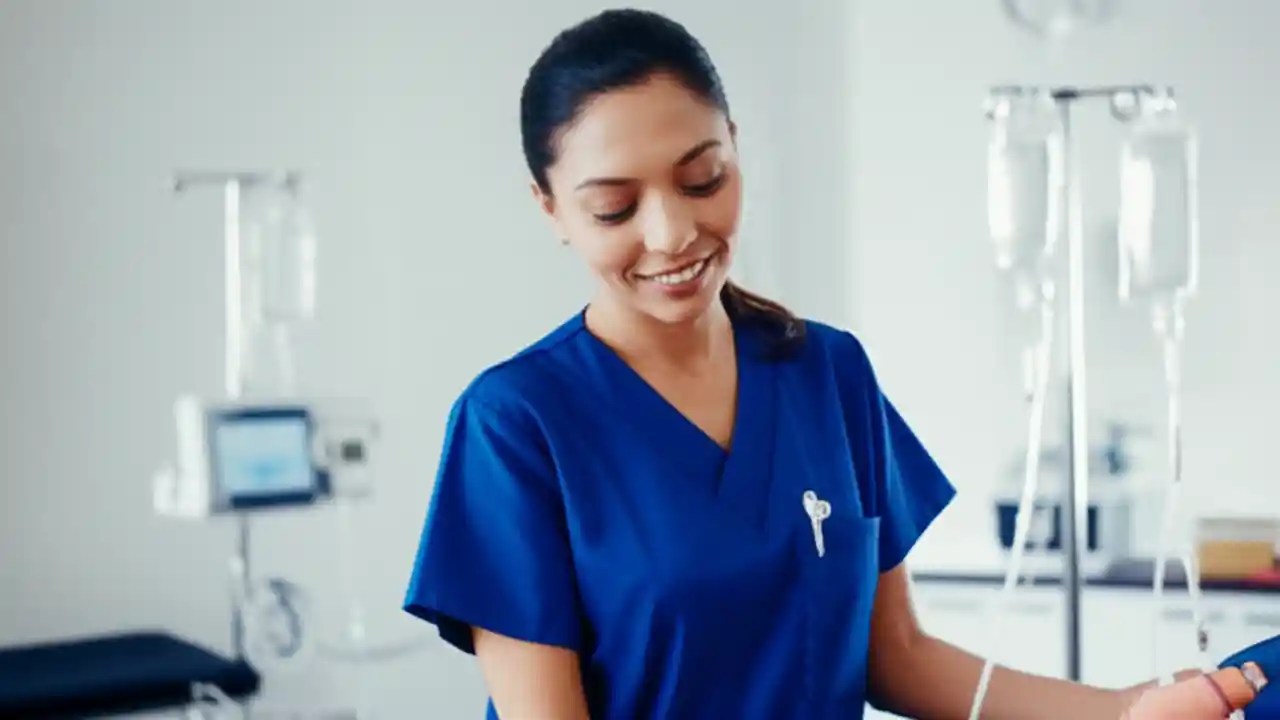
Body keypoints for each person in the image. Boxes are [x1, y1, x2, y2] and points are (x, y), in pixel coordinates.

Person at [403, 8, 1273, 719]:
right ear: (550, 208)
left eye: (703, 180)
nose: (671, 234)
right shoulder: (517, 424)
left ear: (735, 147)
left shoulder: (826, 373)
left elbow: (897, 657)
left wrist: (1124, 711)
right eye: (614, 208)